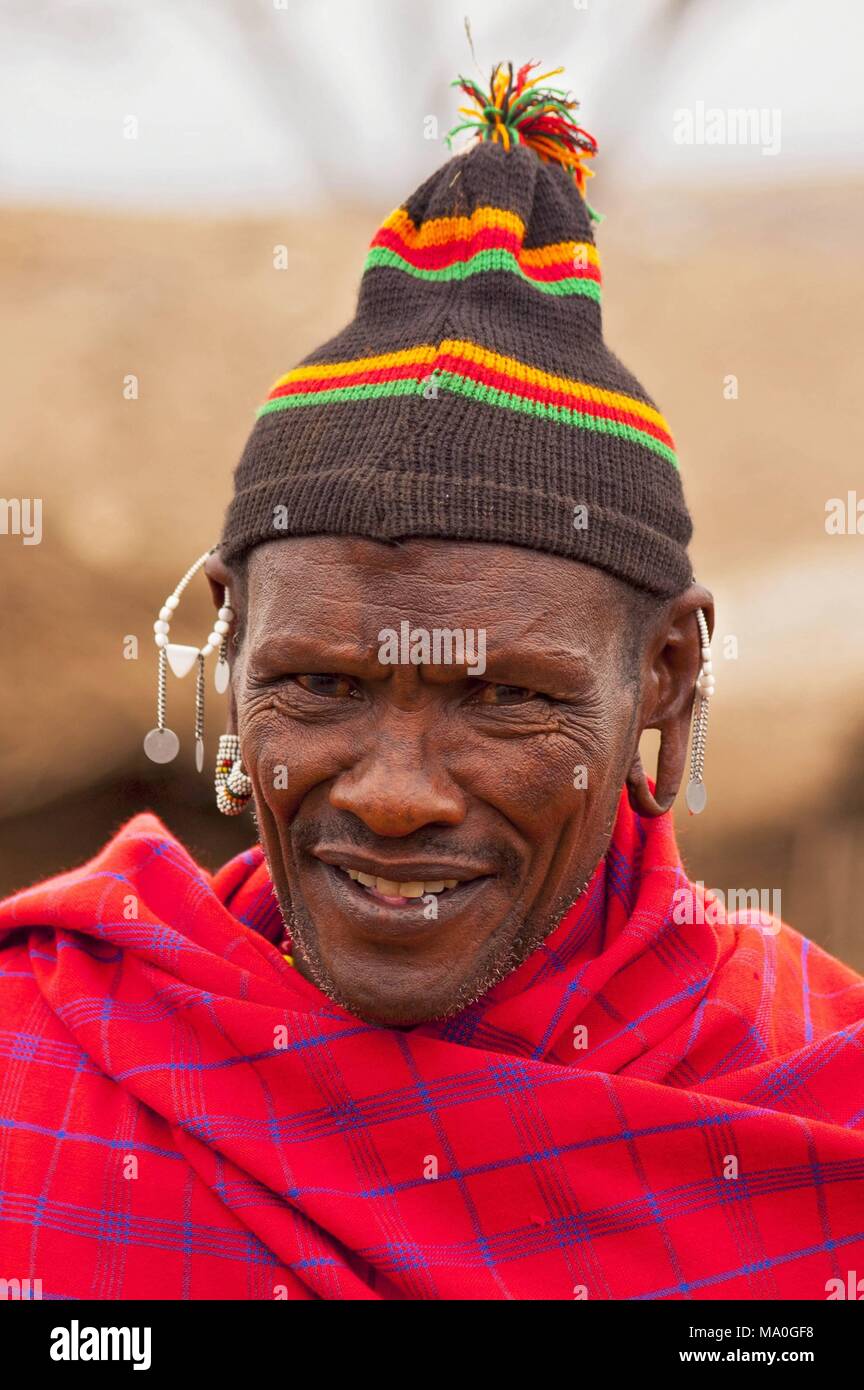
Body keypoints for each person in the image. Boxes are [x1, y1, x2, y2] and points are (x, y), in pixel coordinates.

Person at [1, 62, 862, 1302]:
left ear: (666, 677)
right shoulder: (49, 1066)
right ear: (228, 640)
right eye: (320, 685)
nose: (396, 795)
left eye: (507, 698)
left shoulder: (819, 1110)